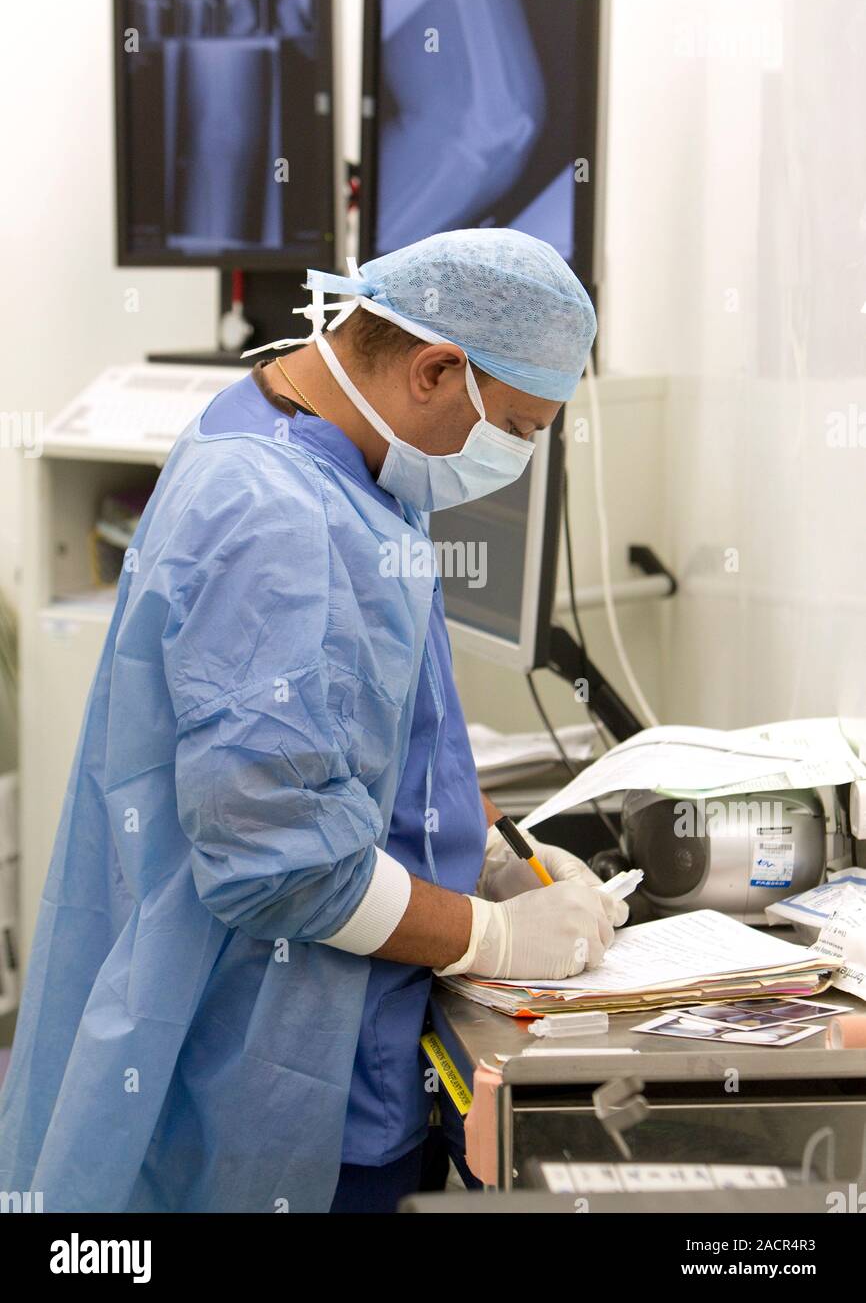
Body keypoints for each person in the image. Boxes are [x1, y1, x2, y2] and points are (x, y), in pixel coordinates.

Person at [0, 229, 626, 1213]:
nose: (516, 455)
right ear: (435, 369)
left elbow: (372, 733)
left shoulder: (319, 440)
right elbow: (281, 867)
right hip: (277, 1065)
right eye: (517, 426)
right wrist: (494, 935)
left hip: (324, 1028)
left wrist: (489, 843)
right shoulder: (275, 519)